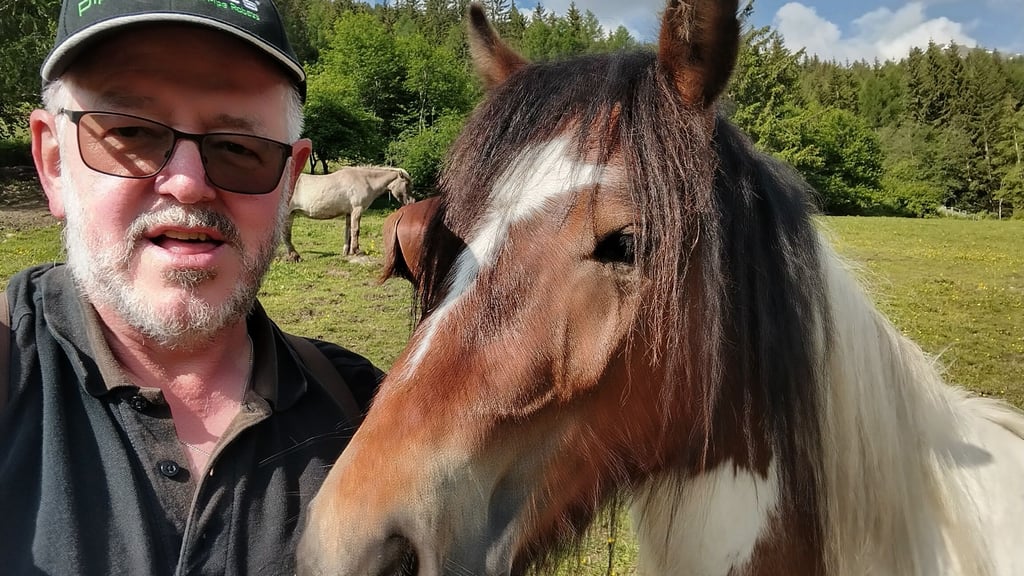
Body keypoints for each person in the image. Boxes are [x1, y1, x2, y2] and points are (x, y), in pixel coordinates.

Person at [0, 1, 383, 574]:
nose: (186, 184)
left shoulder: (368, 416)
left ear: (290, 181)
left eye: (239, 147)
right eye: (128, 132)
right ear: (53, 162)